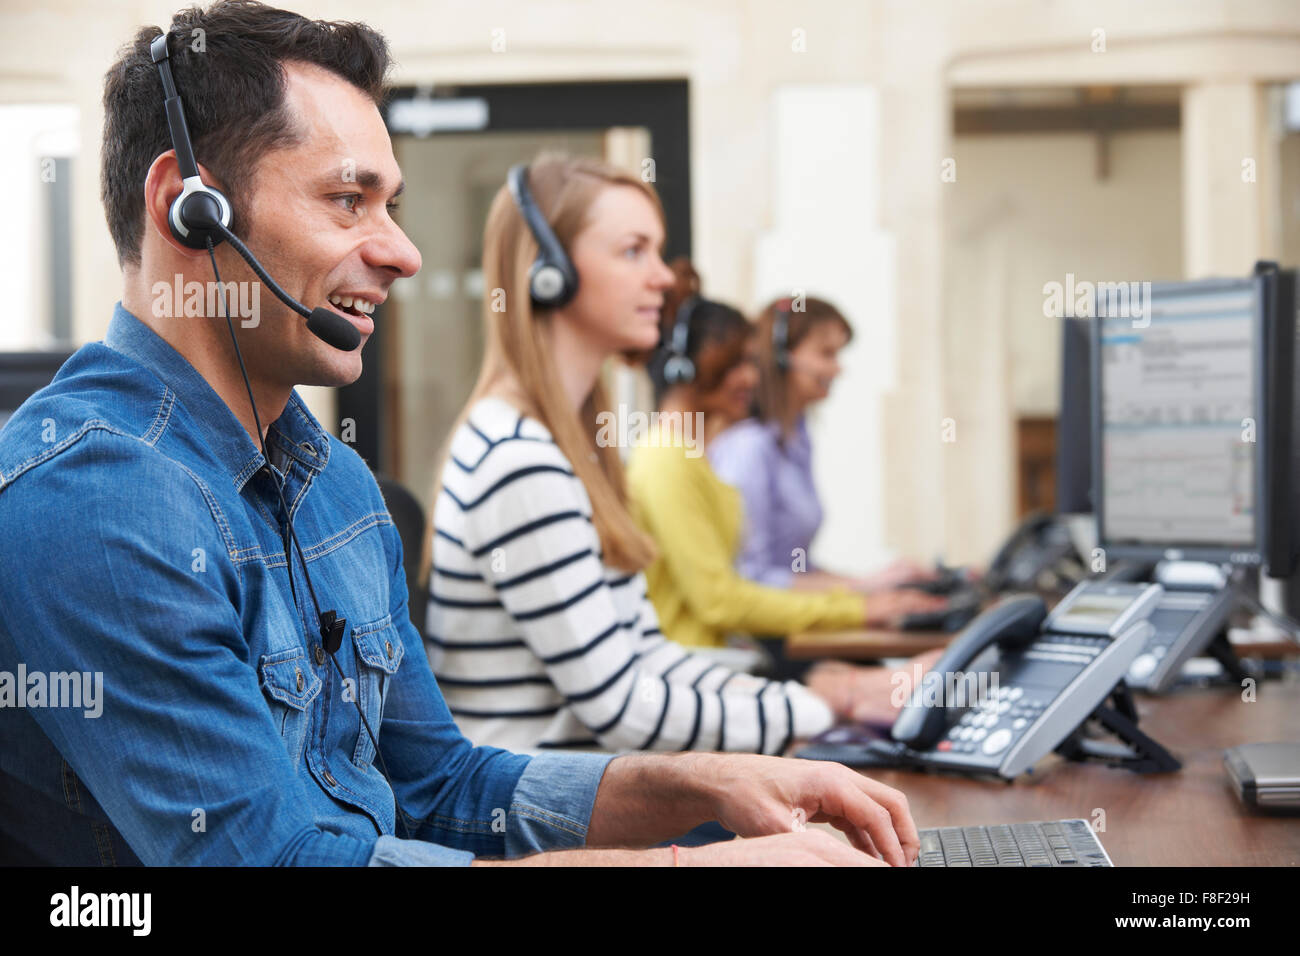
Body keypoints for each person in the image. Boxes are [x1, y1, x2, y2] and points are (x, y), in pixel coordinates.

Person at [0, 1, 917, 867]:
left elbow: (442, 785)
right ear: (188, 207)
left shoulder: (336, 484)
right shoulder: (96, 499)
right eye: (348, 200)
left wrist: (702, 784)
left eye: (391, 206)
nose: (403, 253)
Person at [422, 154, 929, 754]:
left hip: (582, 775)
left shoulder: (573, 451)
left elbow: (646, 656)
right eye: (634, 251)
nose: (663, 278)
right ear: (548, 273)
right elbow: (620, 708)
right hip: (539, 793)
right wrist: (828, 705)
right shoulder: (519, 459)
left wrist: (828, 695)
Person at [625, 264, 945, 716]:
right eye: (738, 363)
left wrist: (861, 601)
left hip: (720, 663)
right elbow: (720, 601)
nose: (752, 378)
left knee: (896, 690)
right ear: (691, 367)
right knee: (889, 693)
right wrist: (860, 607)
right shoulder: (665, 460)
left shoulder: (691, 458)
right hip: (696, 676)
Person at [710, 294, 934, 594]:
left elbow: (795, 568)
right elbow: (750, 577)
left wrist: (879, 583)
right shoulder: (748, 447)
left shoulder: (797, 439)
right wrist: (862, 586)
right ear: (781, 357)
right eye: (827, 354)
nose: (838, 369)